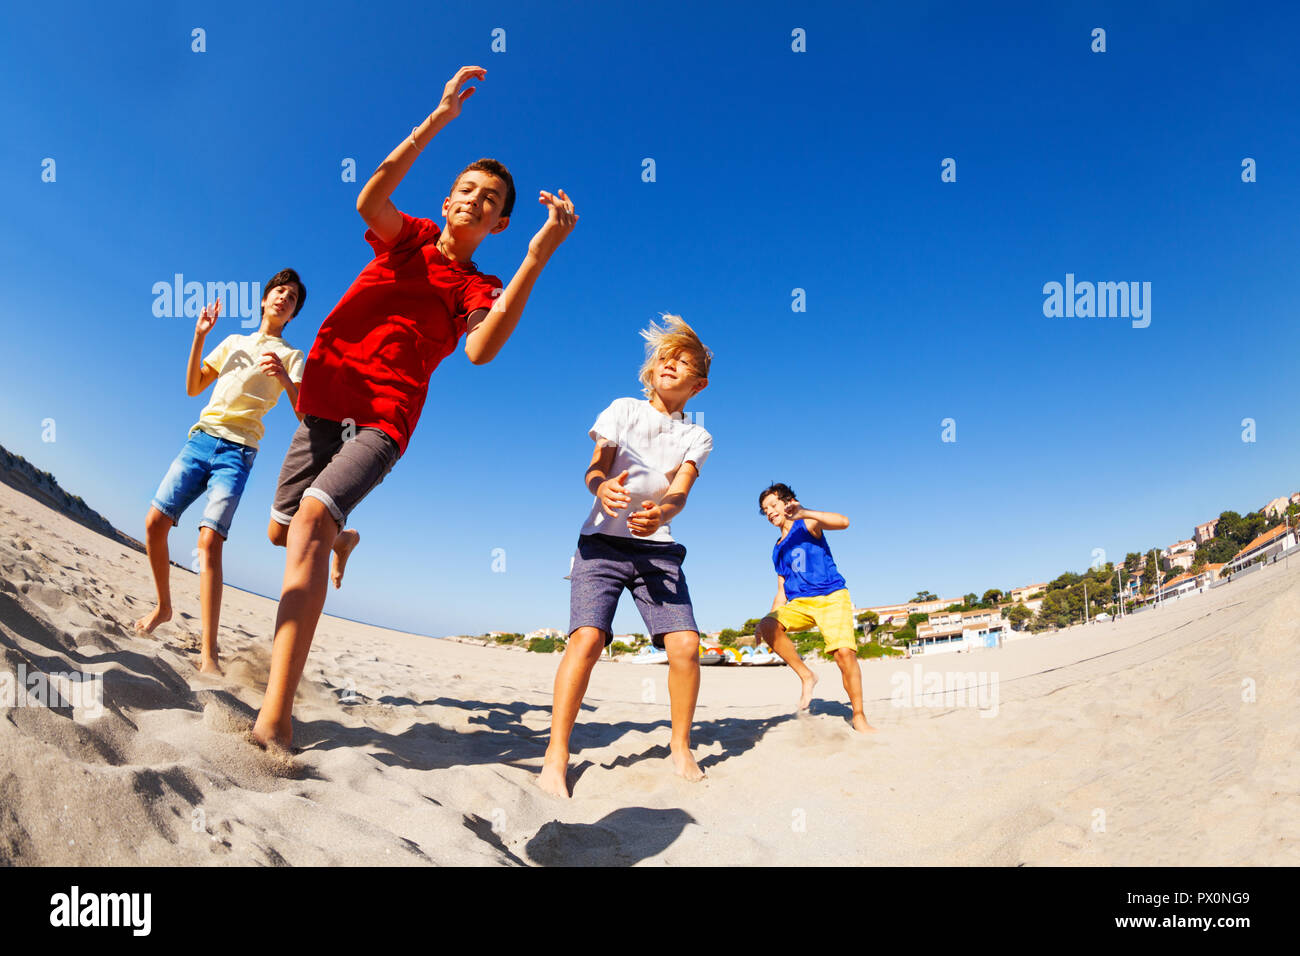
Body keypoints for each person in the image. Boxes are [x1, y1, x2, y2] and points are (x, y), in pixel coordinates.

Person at [251, 65, 578, 749]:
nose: (473, 200)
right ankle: (344, 538)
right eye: (465, 188)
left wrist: (536, 257)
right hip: (322, 402)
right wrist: (437, 119)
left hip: (384, 419)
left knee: (308, 521)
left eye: (489, 199)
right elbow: (371, 198)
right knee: (286, 535)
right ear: (449, 196)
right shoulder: (412, 238)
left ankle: (275, 719)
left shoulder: (477, 282)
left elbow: (481, 349)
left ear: (502, 220)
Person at [537, 316, 713, 798]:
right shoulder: (622, 410)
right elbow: (595, 468)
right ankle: (557, 752)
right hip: (600, 544)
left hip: (657, 549)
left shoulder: (696, 437)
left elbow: (679, 493)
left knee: (685, 647)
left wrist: (662, 514)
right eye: (666, 357)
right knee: (588, 639)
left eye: (685, 362)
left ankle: (680, 746)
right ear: (652, 368)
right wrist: (603, 486)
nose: (671, 364)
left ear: (698, 385)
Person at [135, 270, 307, 675]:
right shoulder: (232, 342)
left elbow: (303, 412)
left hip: (238, 452)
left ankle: (209, 654)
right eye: (279, 291)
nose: (285, 298)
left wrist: (283, 376)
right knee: (155, 523)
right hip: (200, 440)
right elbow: (194, 386)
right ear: (264, 300)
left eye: (293, 298)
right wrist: (199, 335)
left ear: (293, 313)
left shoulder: (292, 356)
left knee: (210, 541)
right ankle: (163, 607)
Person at [754, 483, 875, 733]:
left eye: (773, 505)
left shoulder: (807, 524)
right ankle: (807, 676)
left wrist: (805, 512)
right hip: (800, 603)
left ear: (788, 502)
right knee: (768, 624)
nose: (769, 512)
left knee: (844, 654)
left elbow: (843, 522)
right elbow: (781, 591)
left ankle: (859, 715)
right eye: (765, 509)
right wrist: (765, 622)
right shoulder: (777, 548)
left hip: (831, 596)